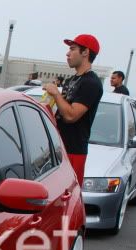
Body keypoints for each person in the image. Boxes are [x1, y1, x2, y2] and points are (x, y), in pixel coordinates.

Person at [42, 34, 104, 186]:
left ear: (85, 52)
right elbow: (60, 112)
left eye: (72, 49)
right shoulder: (72, 80)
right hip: (58, 147)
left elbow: (71, 116)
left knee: (67, 195)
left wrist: (56, 93)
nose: (67, 54)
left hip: (73, 151)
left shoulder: (91, 83)